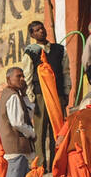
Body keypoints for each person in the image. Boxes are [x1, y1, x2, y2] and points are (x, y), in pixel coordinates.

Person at [23, 19, 68, 168]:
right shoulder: (31, 52)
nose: (41, 31)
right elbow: (28, 75)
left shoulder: (59, 49)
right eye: (37, 30)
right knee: (40, 130)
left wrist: (66, 92)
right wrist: (31, 96)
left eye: (42, 28)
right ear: (32, 35)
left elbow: (66, 72)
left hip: (58, 94)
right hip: (40, 95)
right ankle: (40, 165)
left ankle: (56, 162)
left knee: (58, 128)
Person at [0, 66, 35, 177]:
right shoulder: (12, 96)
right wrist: (32, 133)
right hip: (16, 148)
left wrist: (25, 95)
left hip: (13, 148)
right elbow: (17, 123)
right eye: (18, 76)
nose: (22, 79)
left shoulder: (12, 95)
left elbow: (29, 111)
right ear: (9, 79)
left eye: (23, 76)